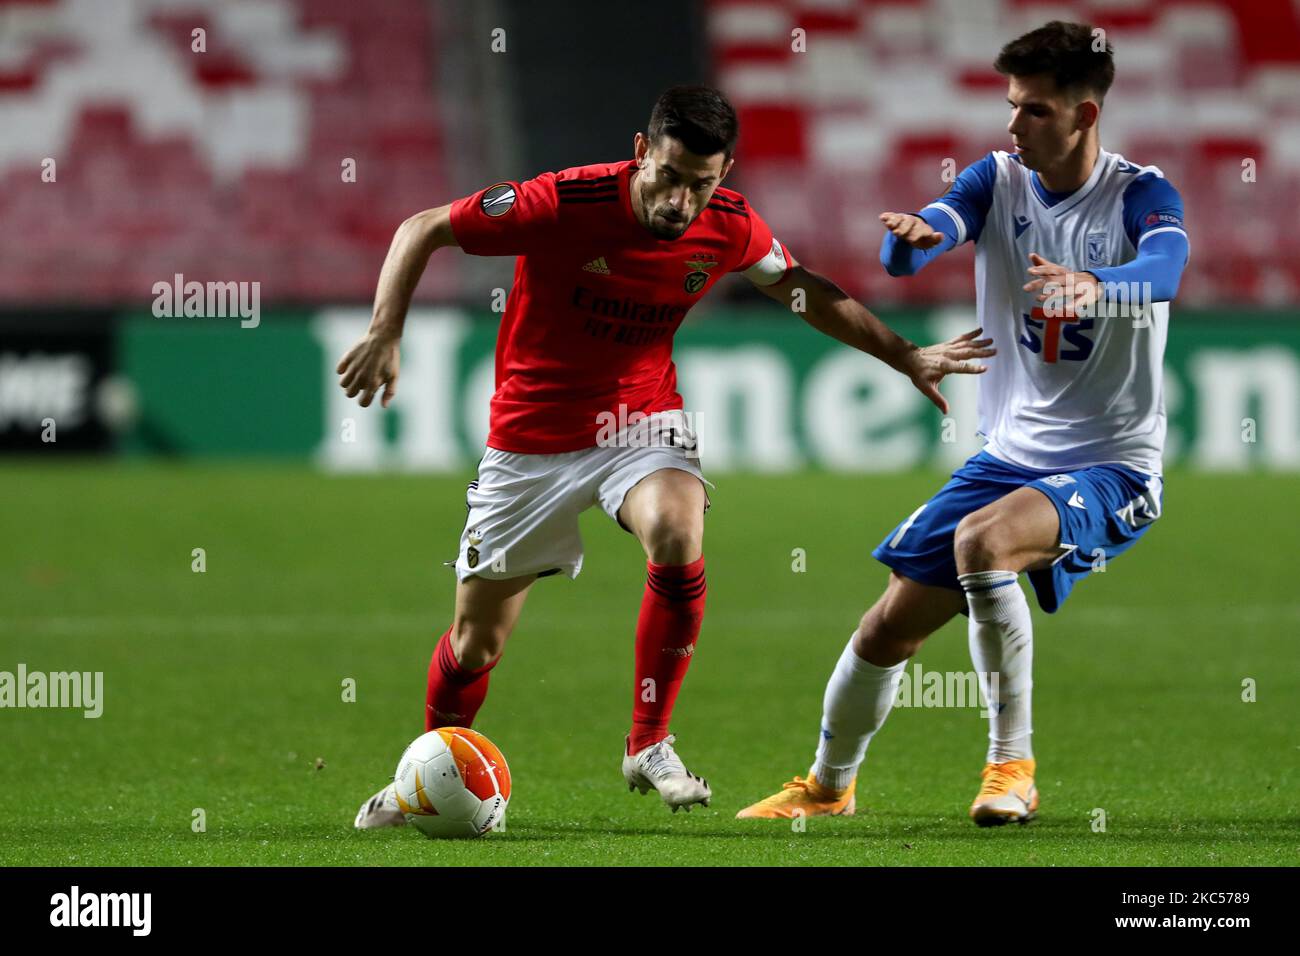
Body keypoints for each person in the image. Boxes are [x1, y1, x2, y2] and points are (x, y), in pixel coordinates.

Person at [341, 85, 992, 827]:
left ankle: (648, 739)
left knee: (679, 530)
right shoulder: (563, 202)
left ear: (725, 174)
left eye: (701, 184)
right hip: (530, 438)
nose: (682, 201)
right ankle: (428, 773)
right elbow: (421, 227)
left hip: (640, 421)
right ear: (642, 150)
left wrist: (907, 356)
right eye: (670, 177)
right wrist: (386, 329)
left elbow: (803, 290)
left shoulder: (731, 226)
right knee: (476, 639)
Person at [738, 21, 1188, 826]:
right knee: (885, 629)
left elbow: (1166, 268)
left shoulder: (1140, 193)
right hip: (1010, 456)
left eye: (1035, 111)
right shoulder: (999, 179)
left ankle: (1011, 767)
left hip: (1113, 466)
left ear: (1086, 116)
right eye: (1011, 106)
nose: (1013, 126)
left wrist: (1099, 284)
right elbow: (927, 236)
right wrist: (915, 240)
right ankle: (828, 788)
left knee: (983, 543)